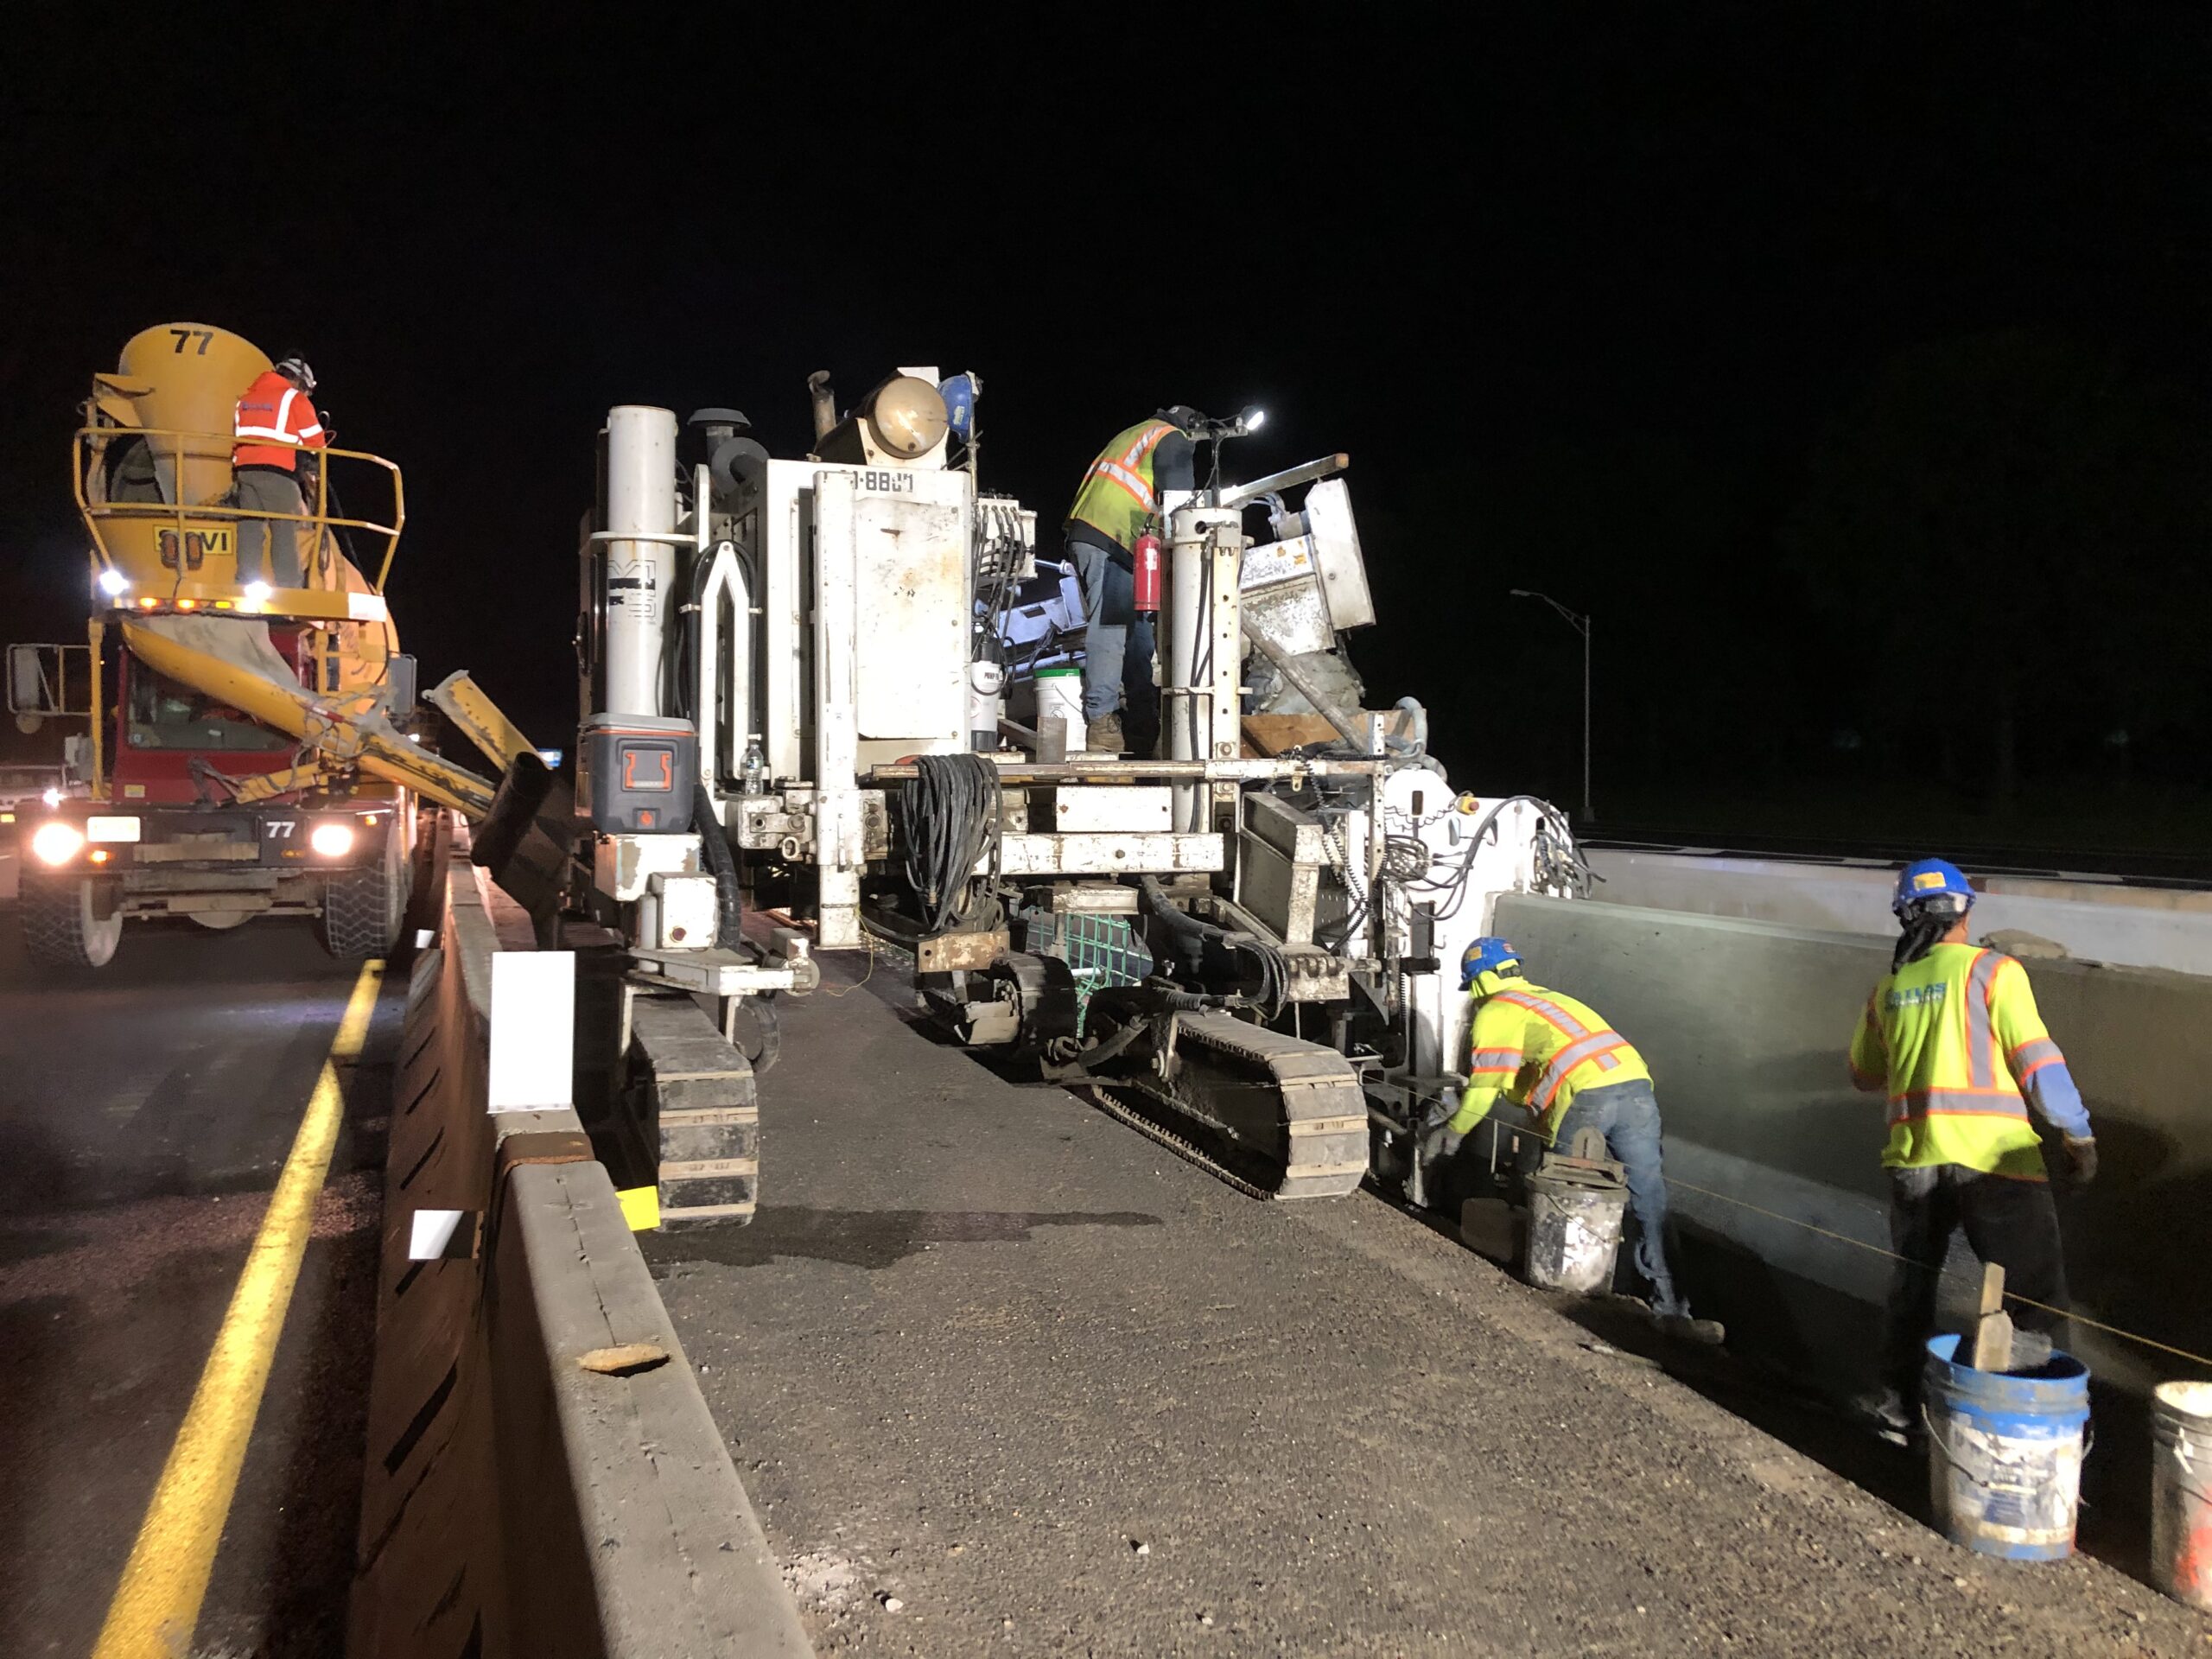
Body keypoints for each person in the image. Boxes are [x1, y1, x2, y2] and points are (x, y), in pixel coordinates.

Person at [1849, 857, 2096, 1437]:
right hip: (1997, 1162)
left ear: (1905, 918)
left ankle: (1898, 1412)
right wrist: (2076, 1129)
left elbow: (1864, 1074)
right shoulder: (1995, 972)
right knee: (2029, 1297)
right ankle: (2033, 1428)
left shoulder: (1888, 989)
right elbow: (2036, 1060)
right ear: (1965, 910)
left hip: (1916, 1162)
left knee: (1912, 1290)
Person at [1427, 936, 1719, 1339]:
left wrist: (1455, 1130)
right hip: (1636, 1089)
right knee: (1649, 1199)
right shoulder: (1549, 1000)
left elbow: (1486, 1088)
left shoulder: (1496, 1010)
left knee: (1565, 1199)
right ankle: (1672, 1312)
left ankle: (1567, 1300)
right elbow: (1529, 1075)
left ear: (1476, 982)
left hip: (1587, 1096)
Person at [1063, 408, 1197, 755]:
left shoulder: (1139, 431)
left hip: (1108, 536)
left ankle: (1142, 721)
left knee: (1137, 635)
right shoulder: (1172, 439)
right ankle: (1101, 720)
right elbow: (1182, 507)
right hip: (1110, 536)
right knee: (1111, 627)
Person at [231, 356, 327, 588]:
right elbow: (315, 441)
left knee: (251, 527)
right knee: (285, 527)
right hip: (277, 473)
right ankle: (289, 588)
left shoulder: (246, 399)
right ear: (296, 379)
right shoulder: (293, 398)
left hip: (245, 471)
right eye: (305, 388)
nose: (304, 393)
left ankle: (246, 583)